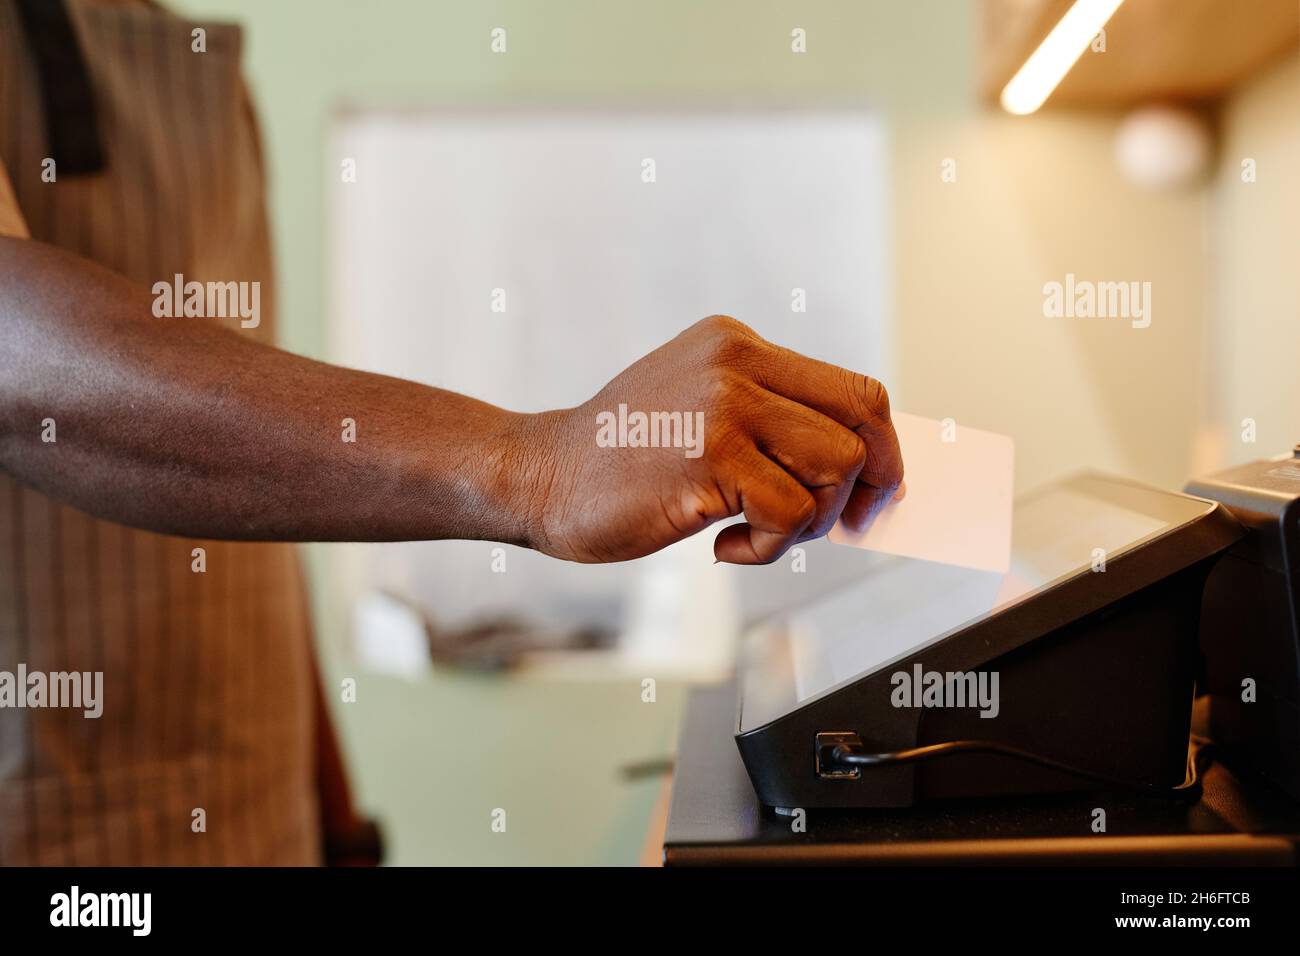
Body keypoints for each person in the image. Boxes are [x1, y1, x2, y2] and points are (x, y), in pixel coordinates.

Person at [0, 0, 903, 865]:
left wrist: (338, 820)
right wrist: (539, 468)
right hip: (56, 817)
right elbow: (20, 367)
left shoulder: (172, 52)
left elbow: (247, 476)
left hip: (257, 799)